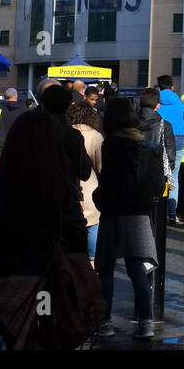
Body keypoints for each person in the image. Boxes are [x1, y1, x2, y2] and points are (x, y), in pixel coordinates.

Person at [0, 110, 91, 349]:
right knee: (44, 335)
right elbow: (78, 240)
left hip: (6, 285)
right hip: (46, 283)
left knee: (14, 339)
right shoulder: (60, 188)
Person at [93, 95, 165, 339]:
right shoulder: (142, 143)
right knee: (137, 268)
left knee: (106, 268)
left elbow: (109, 181)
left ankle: (105, 321)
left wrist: (98, 198)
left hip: (114, 212)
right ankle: (146, 321)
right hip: (139, 214)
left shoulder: (110, 144)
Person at [67, 101, 104, 266]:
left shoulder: (66, 133)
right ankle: (91, 260)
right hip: (89, 186)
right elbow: (101, 166)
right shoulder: (96, 136)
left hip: (68, 185)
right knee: (92, 223)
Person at [156, 75, 184, 224]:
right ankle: (171, 212)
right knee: (174, 176)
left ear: (159, 87)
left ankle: (158, 211)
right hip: (178, 139)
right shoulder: (180, 103)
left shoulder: (155, 101)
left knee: (158, 173)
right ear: (172, 87)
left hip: (161, 138)